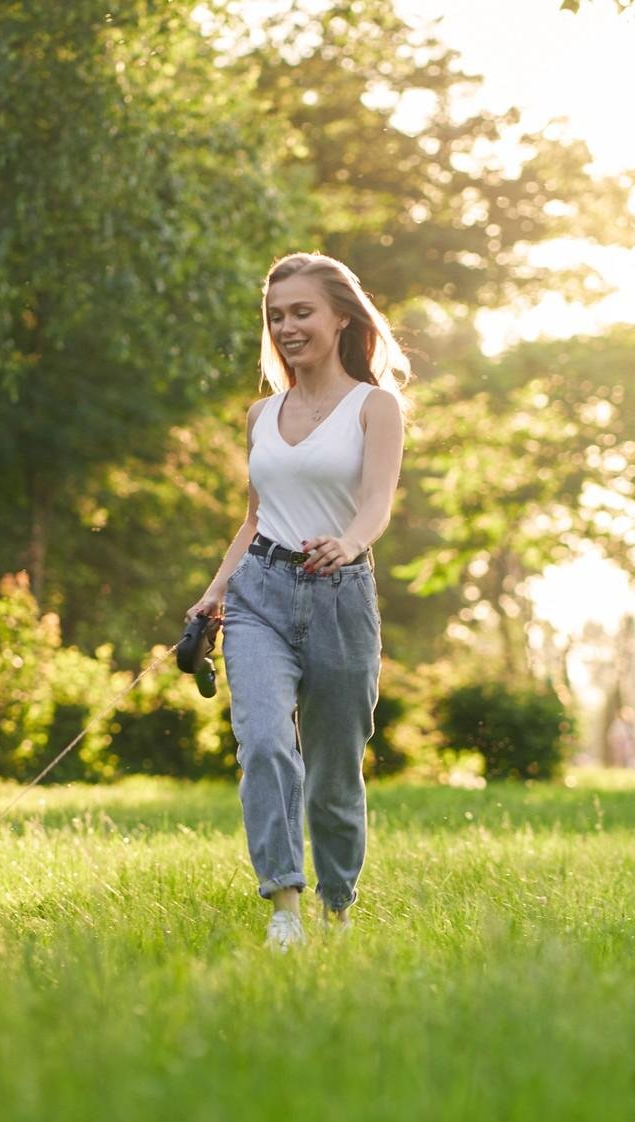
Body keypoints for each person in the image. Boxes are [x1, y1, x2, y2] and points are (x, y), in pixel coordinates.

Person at [187, 252, 408, 950]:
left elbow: (376, 504)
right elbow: (255, 518)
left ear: (341, 316)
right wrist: (216, 591)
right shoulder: (261, 414)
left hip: (341, 597)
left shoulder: (375, 407)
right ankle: (284, 906)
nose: (286, 326)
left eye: (301, 312)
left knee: (336, 771)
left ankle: (337, 908)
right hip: (261, 593)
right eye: (276, 315)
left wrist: (347, 542)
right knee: (264, 745)